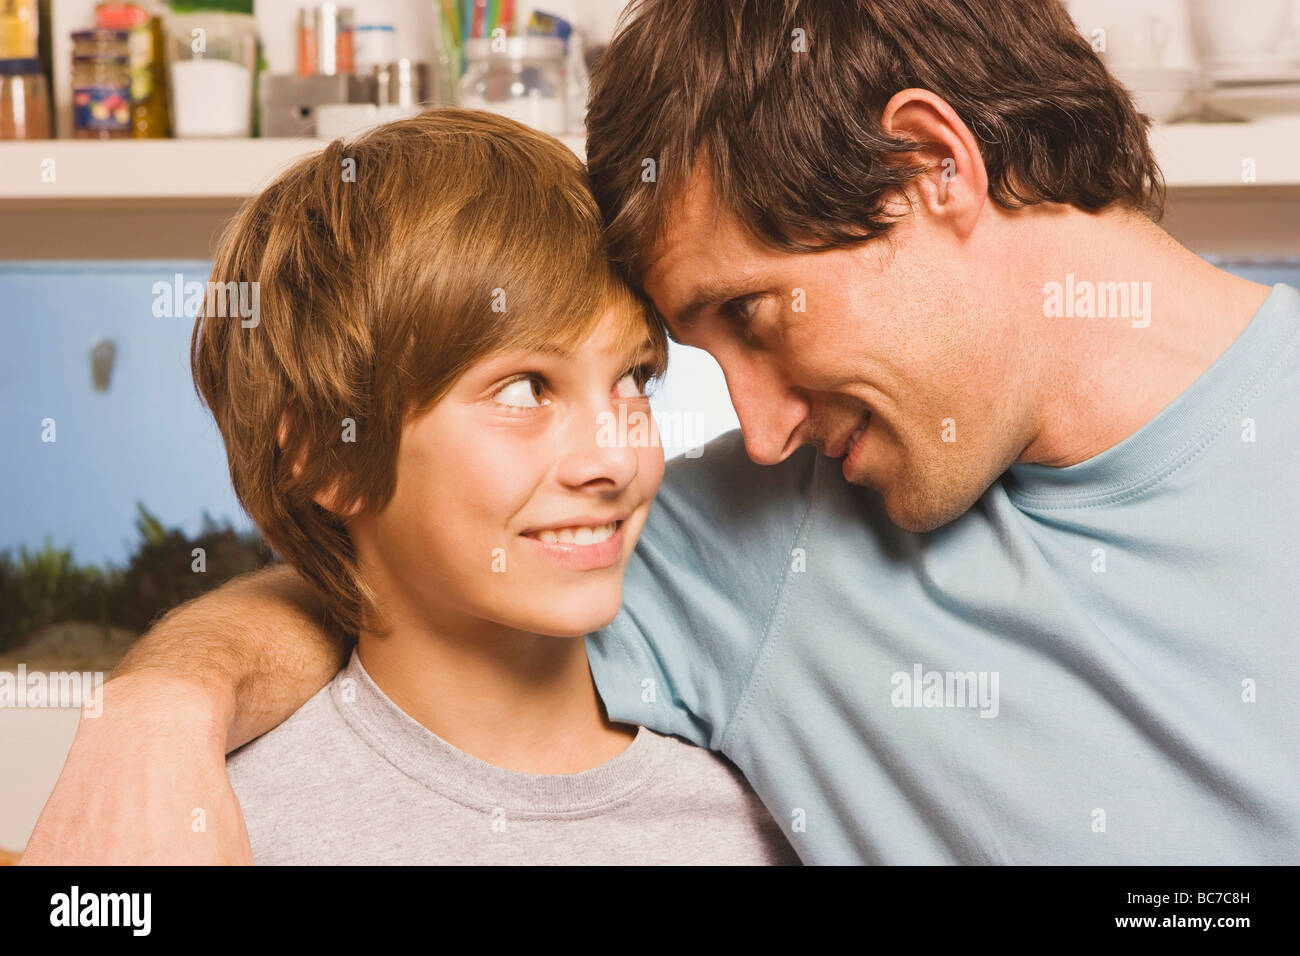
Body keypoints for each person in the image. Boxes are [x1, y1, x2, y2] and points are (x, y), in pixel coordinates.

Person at [24, 0, 1298, 865]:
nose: (753, 431)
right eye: (688, 357)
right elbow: (386, 558)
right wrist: (158, 701)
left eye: (752, 315)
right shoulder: (775, 531)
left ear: (928, 167)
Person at [66, 108, 799, 865]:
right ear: (328, 457)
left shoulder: (766, 813)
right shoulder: (197, 830)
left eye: (632, 380)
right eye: (523, 391)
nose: (613, 461)